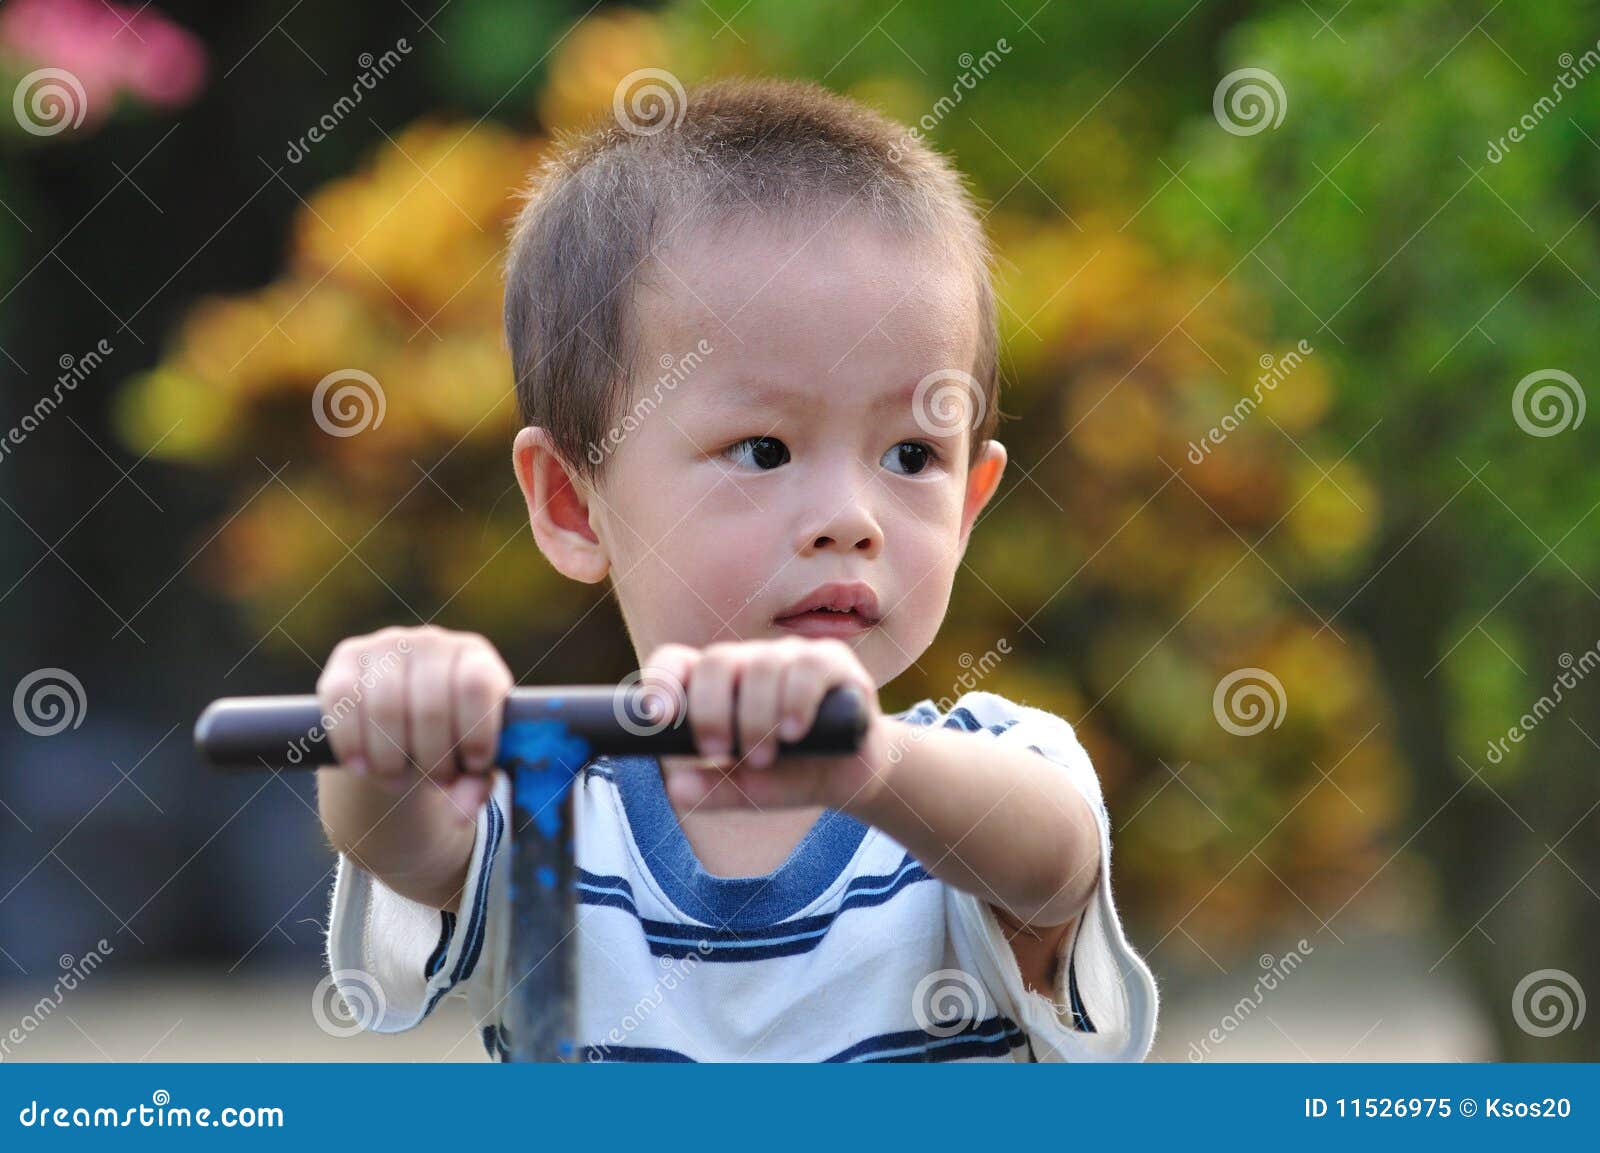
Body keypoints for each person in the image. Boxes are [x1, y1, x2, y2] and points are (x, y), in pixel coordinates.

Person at [316, 77, 1157, 1062]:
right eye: (763, 449)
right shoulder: (544, 811)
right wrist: (380, 729)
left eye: (911, 456)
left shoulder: (983, 774)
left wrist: (872, 770)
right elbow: (402, 844)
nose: (850, 519)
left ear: (969, 504)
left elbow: (1055, 865)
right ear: (571, 504)